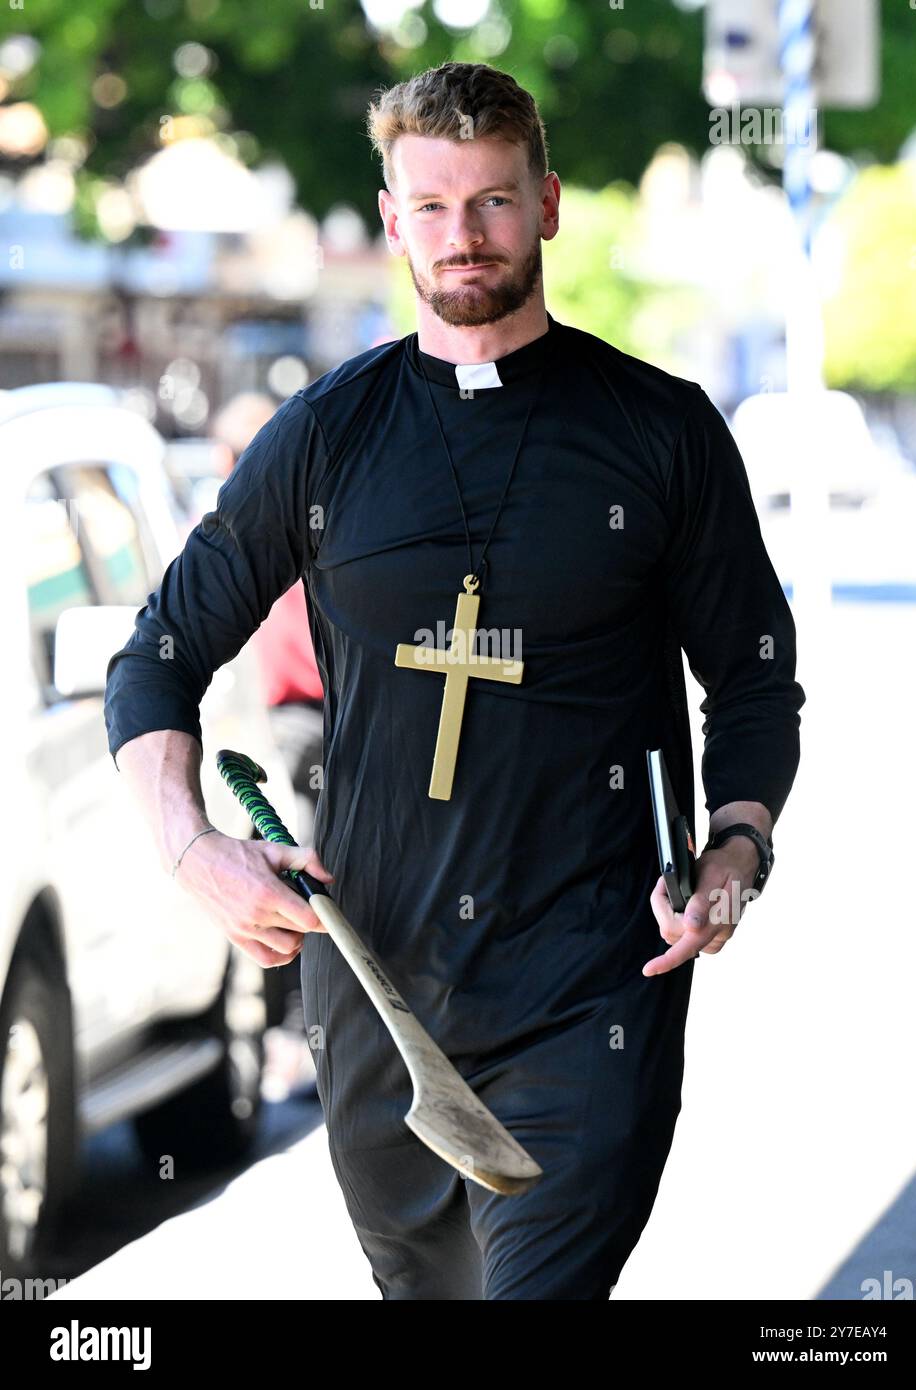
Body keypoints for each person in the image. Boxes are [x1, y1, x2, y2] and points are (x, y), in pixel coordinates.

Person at [103, 61, 806, 1300]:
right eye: (430, 206)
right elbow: (154, 660)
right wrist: (189, 846)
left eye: (488, 201)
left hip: (592, 983)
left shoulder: (661, 431)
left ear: (544, 204)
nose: (461, 236)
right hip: (375, 989)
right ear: (389, 220)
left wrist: (735, 849)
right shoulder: (323, 437)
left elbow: (752, 678)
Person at [211, 394, 327, 1098]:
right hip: (280, 724)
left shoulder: (252, 523)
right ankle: (295, 1034)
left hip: (292, 722)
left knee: (300, 873)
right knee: (295, 873)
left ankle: (300, 1034)